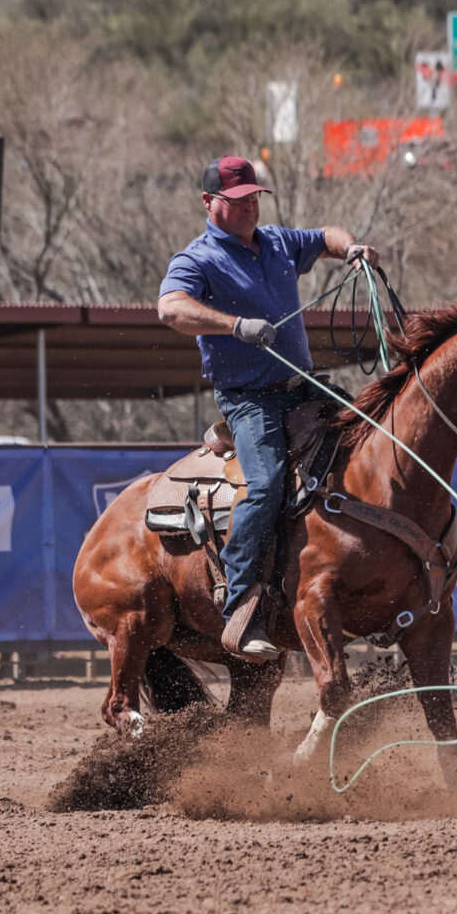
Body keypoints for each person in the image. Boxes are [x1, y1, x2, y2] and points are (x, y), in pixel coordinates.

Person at [158, 155, 379, 660]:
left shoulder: (277, 241)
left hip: (303, 389)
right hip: (248, 400)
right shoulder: (196, 260)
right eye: (238, 201)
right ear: (209, 202)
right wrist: (234, 326)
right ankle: (241, 606)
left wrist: (352, 249)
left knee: (371, 436)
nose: (250, 208)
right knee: (266, 484)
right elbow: (170, 308)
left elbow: (325, 236)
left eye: (255, 198)